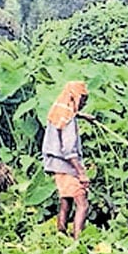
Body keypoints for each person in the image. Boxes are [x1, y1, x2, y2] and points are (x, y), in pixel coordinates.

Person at [42, 81, 97, 239]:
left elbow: (68, 115)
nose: (84, 103)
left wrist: (82, 116)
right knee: (82, 204)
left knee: (66, 202)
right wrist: (81, 173)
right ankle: (77, 240)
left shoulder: (58, 111)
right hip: (66, 165)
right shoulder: (68, 121)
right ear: (75, 97)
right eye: (83, 99)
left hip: (55, 164)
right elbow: (68, 150)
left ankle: (61, 235)